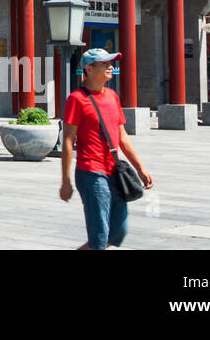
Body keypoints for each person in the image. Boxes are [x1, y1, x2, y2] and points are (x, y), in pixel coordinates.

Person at [60, 48, 155, 250]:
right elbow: (68, 140)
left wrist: (140, 168)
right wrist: (66, 181)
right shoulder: (77, 99)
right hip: (91, 173)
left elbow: (122, 136)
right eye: (105, 63)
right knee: (100, 236)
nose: (111, 66)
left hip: (114, 171)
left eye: (112, 63)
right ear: (89, 68)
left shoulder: (112, 96)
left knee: (118, 232)